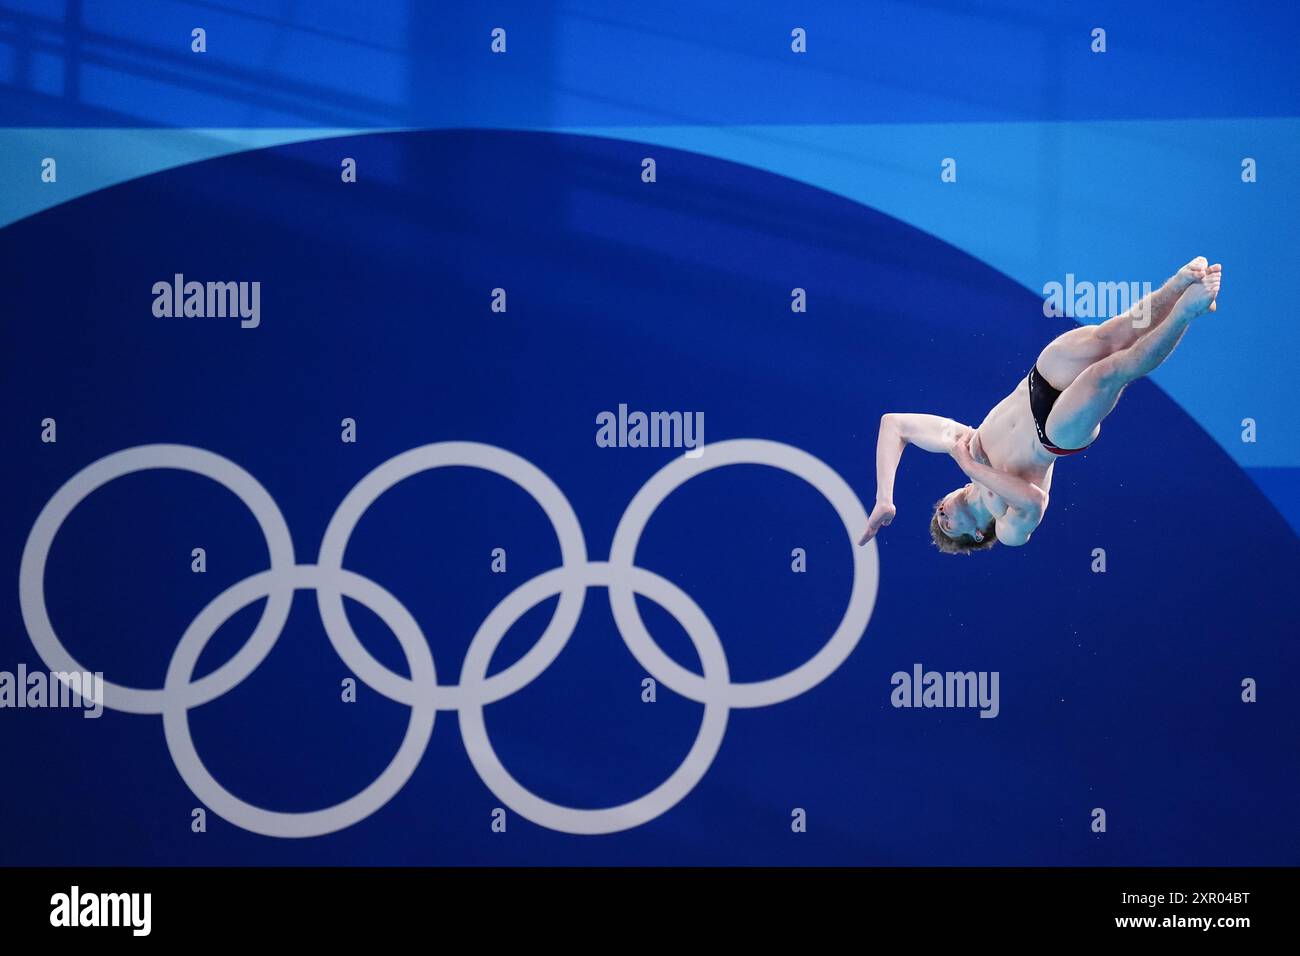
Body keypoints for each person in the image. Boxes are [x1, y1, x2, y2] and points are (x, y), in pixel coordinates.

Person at [859, 257, 1222, 553]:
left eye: (937, 514)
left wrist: (884, 499)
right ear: (974, 535)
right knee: (1112, 371)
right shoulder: (1006, 526)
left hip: (1037, 382)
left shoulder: (962, 442)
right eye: (947, 525)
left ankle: (1175, 287)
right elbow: (1034, 501)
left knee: (1112, 335)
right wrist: (970, 465)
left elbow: (894, 424)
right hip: (1053, 433)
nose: (942, 513)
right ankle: (1186, 313)